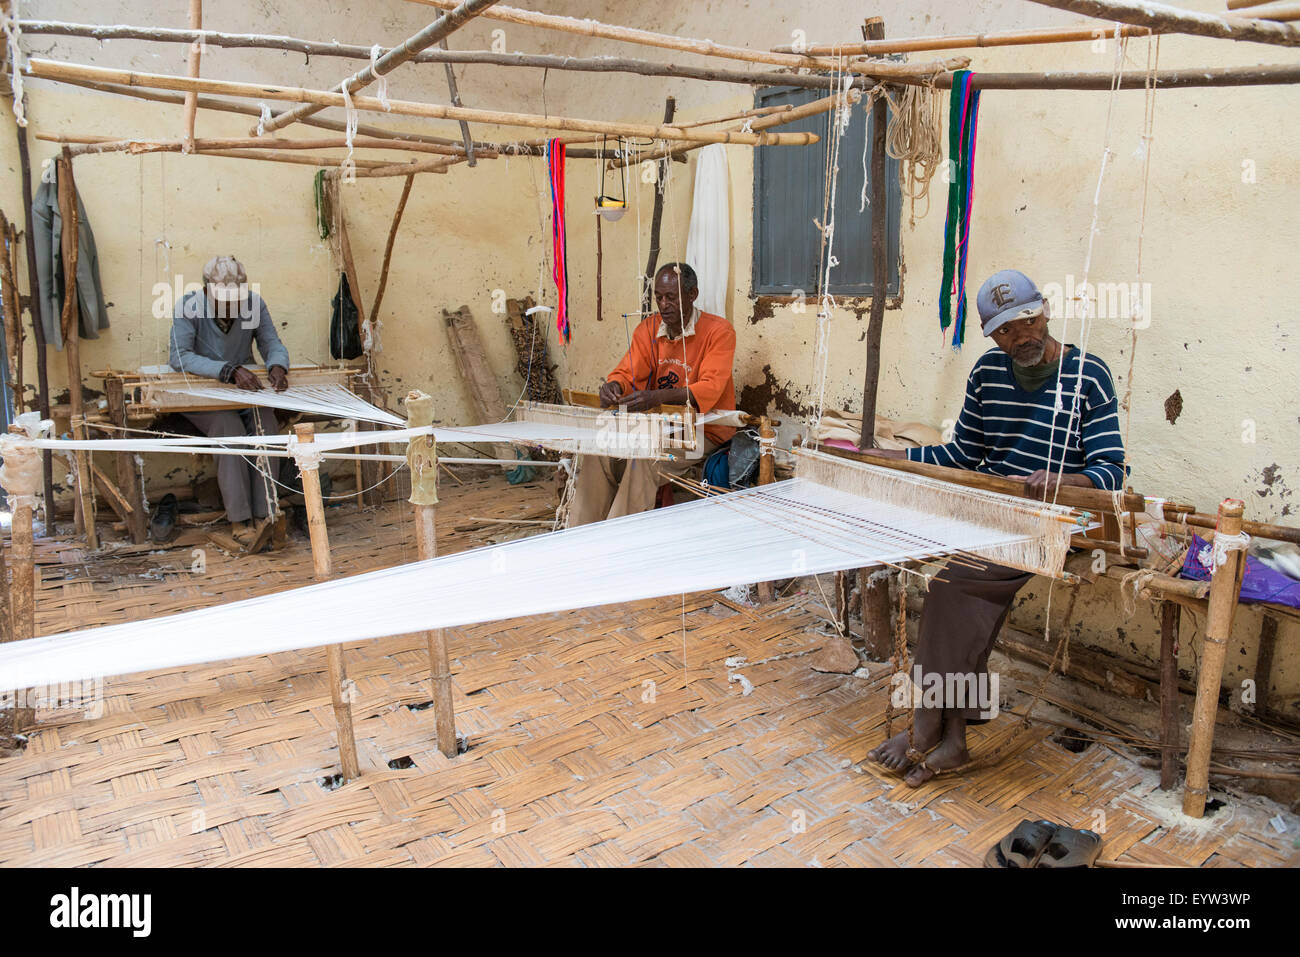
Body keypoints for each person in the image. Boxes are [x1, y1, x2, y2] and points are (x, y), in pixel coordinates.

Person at [866, 268, 1126, 786]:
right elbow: (964, 454)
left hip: (1056, 519)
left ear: (1044, 311)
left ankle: (926, 725)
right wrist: (896, 456)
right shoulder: (987, 372)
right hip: (997, 513)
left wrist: (1060, 479)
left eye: (1027, 320)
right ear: (992, 334)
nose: (1020, 335)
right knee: (969, 604)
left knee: (951, 586)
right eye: (1005, 329)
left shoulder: (1087, 376)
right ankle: (954, 737)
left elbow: (1112, 473)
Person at [566, 263, 737, 527]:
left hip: (704, 431)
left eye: (672, 297)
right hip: (658, 426)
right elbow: (627, 372)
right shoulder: (648, 330)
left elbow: (710, 389)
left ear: (693, 294)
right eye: (659, 297)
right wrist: (614, 386)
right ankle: (580, 531)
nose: (664, 304)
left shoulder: (719, 332)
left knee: (643, 458)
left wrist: (656, 398)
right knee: (598, 448)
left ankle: (618, 536)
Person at [169, 256, 290, 544]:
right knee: (229, 428)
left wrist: (277, 365)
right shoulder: (189, 306)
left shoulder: (254, 304)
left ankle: (267, 512)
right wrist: (228, 370)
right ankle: (240, 519)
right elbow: (179, 356)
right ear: (207, 290)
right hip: (204, 390)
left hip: (243, 389)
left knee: (266, 424)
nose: (230, 305)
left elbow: (271, 342)